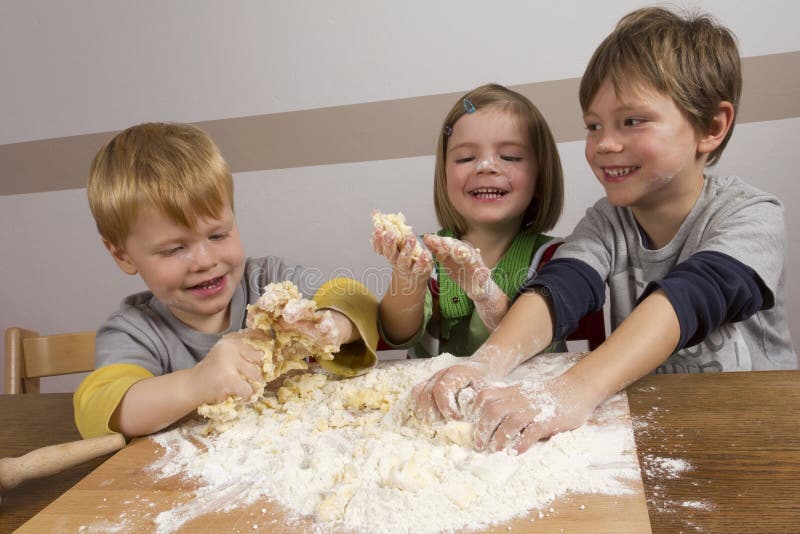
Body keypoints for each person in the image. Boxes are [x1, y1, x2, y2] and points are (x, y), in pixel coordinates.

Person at [412, 7, 797, 454]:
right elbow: (561, 288)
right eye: (594, 126)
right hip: (655, 431)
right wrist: (486, 364)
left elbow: (690, 297)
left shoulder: (751, 214)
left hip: (761, 433)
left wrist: (572, 390)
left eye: (632, 121)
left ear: (711, 126)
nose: (605, 144)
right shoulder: (606, 221)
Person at [74, 122, 378, 439]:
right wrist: (196, 383)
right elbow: (98, 411)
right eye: (174, 249)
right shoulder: (135, 332)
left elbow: (359, 303)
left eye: (218, 235)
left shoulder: (269, 282)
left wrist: (333, 326)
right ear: (122, 255)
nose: (205, 261)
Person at [372, 83, 565, 358]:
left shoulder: (556, 259)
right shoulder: (426, 255)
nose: (485, 166)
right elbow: (398, 335)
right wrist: (408, 280)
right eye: (465, 158)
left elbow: (531, 343)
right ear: (444, 177)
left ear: (541, 176)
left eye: (510, 156)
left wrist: (486, 295)